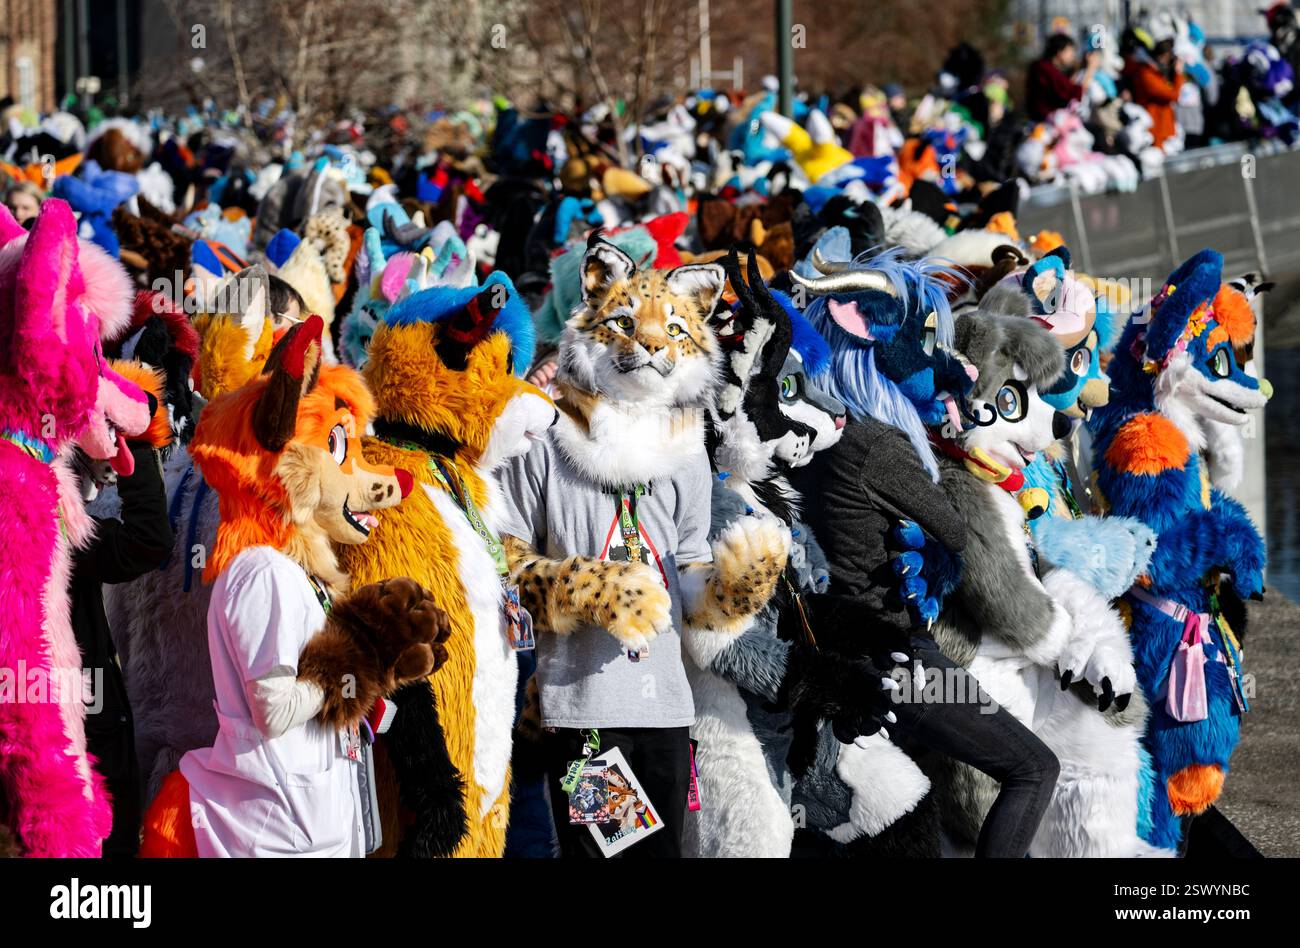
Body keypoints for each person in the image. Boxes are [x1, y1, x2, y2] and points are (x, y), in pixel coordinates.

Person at [1123, 37, 1186, 149]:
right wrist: (1178, 73)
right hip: (1154, 130)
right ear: (1164, 56)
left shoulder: (1155, 73)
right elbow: (1173, 95)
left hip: (1163, 128)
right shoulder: (1146, 74)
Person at [1026, 34, 1099, 120]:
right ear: (1059, 51)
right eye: (1070, 51)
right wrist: (1091, 69)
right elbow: (1074, 94)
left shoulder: (1043, 67)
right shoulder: (1046, 69)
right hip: (1047, 122)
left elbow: (1067, 86)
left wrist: (1081, 68)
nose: (1072, 55)